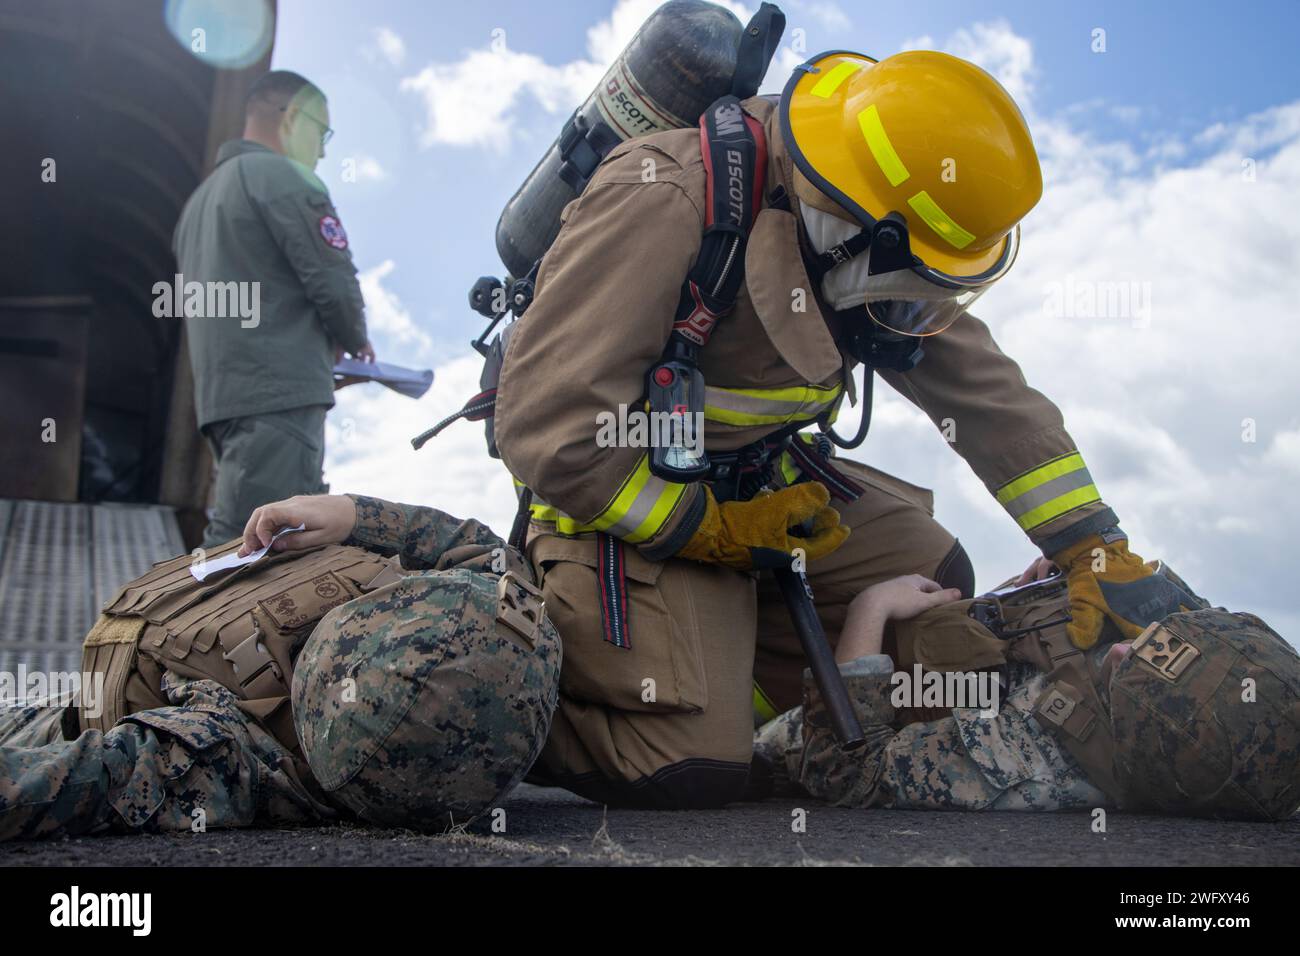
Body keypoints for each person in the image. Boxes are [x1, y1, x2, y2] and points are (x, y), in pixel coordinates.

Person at [493, 49, 1219, 808]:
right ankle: (526, 678)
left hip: (760, 482)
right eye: (913, 287)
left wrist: (1087, 542)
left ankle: (752, 711)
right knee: (688, 769)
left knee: (927, 573)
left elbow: (986, 399)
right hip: (621, 492)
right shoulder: (668, 199)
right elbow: (553, 427)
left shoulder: (883, 240)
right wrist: (708, 529)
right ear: (852, 230)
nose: (918, 315)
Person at [0, 494, 559, 840]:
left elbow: (85, 777)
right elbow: (477, 550)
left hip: (71, 713)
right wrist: (347, 513)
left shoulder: (232, 755)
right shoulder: (499, 619)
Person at [753, 561, 1300, 821]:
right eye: (1159, 642)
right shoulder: (1221, 660)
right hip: (926, 633)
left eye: (1131, 685)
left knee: (701, 762)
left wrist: (870, 608)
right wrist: (1042, 590)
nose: (1120, 651)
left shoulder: (1032, 765)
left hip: (795, 714)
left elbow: (847, 770)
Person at [173, 70, 375, 549]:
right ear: (291, 117)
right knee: (264, 553)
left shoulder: (197, 206)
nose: (323, 150)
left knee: (235, 537)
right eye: (321, 131)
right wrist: (354, 340)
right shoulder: (283, 178)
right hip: (278, 402)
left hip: (227, 401)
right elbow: (331, 279)